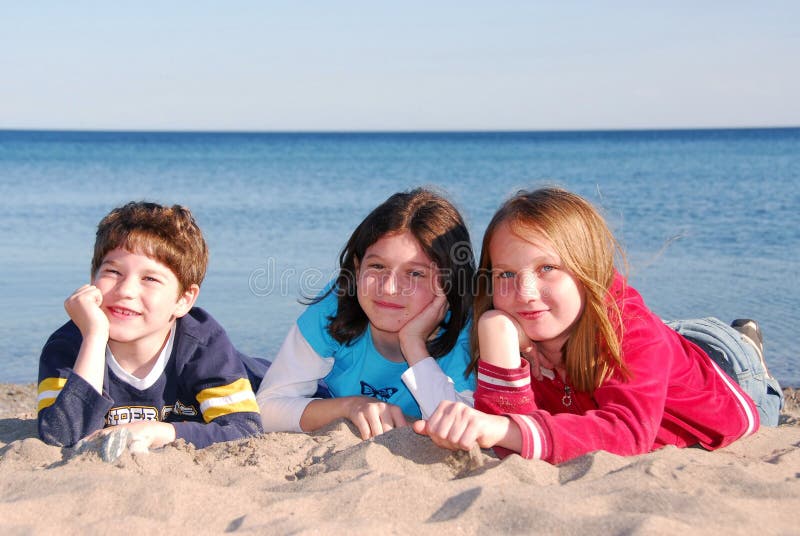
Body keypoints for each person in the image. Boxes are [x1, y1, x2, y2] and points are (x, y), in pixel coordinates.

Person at [413, 187, 784, 464]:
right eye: (506, 273)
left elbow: (627, 433)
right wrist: (496, 331)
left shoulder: (630, 329)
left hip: (732, 378)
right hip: (653, 346)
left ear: (587, 270)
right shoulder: (516, 324)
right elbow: (511, 445)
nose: (525, 292)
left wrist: (503, 429)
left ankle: (746, 341)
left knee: (692, 352)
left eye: (547, 268)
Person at [37, 202, 263, 450]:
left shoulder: (204, 346)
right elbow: (61, 436)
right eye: (113, 272)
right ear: (93, 279)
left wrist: (160, 431)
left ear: (183, 300)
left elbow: (244, 430)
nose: (126, 290)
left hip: (261, 378)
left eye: (150, 278)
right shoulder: (68, 345)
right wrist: (94, 337)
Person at [257, 188, 477, 439]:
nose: (389, 288)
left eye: (415, 273)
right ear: (357, 267)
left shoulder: (464, 330)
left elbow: (461, 428)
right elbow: (266, 408)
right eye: (377, 266)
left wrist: (413, 343)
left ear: (448, 282)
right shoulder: (336, 305)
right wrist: (351, 406)